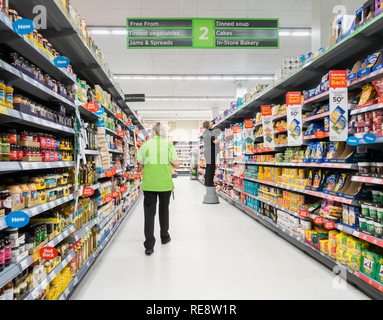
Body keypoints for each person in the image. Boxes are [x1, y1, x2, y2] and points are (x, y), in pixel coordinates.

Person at [137, 123, 180, 256]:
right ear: (163, 133)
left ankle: (149, 245)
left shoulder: (145, 145)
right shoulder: (169, 146)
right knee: (164, 211)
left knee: (149, 215)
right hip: (165, 185)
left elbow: (140, 166)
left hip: (149, 185)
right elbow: (177, 165)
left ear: (152, 133)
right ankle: (164, 237)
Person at [202, 120, 221, 187]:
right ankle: (210, 183)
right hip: (211, 151)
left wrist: (212, 123)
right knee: (211, 167)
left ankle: (207, 182)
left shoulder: (204, 132)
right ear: (208, 125)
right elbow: (215, 141)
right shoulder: (211, 132)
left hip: (206, 151)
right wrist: (222, 138)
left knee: (208, 167)